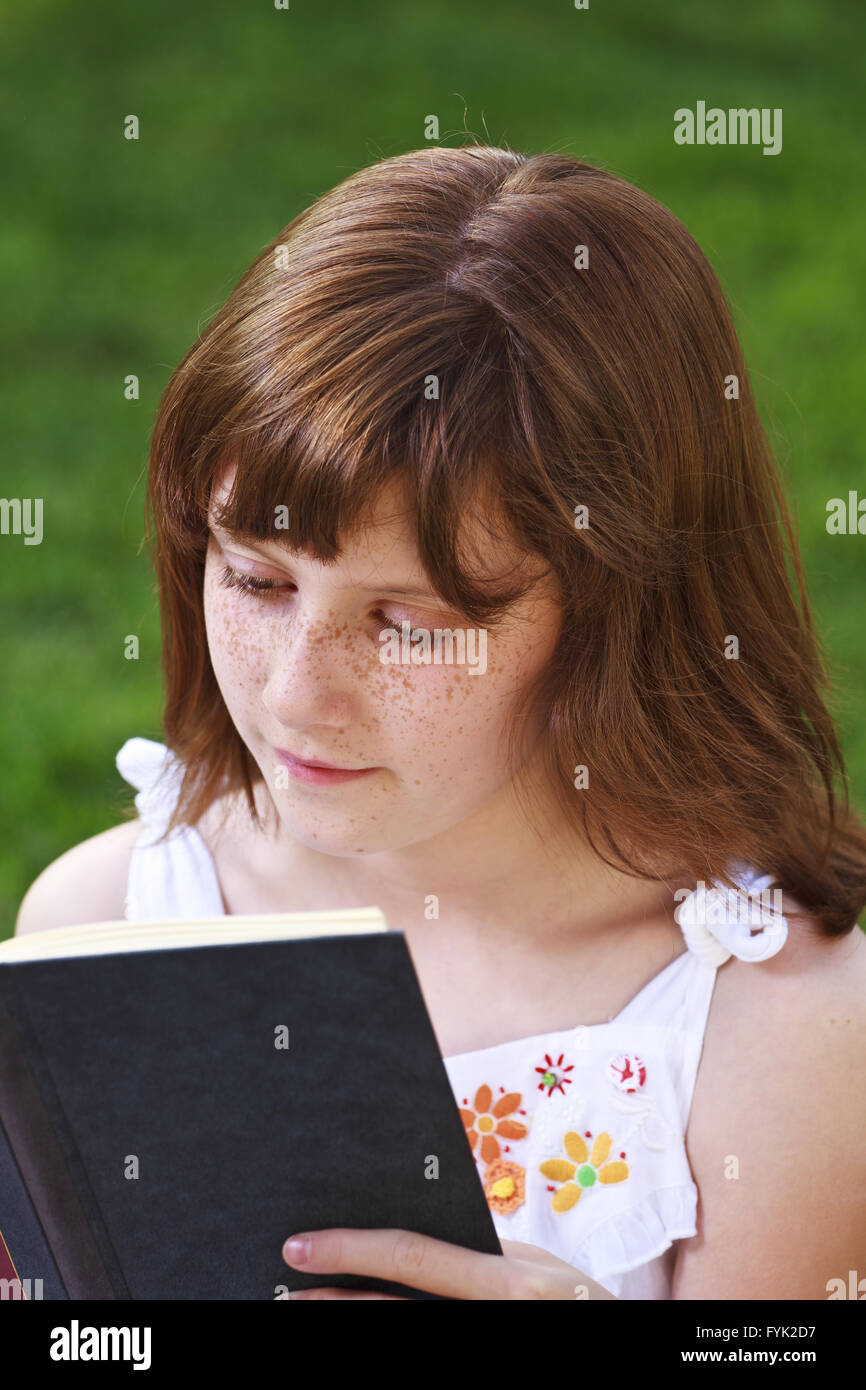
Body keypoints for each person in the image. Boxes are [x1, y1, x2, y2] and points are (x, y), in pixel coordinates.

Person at [15, 144, 866, 1300]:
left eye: (409, 621)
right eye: (257, 580)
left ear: (618, 612)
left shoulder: (785, 1036)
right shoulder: (110, 930)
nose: (291, 694)